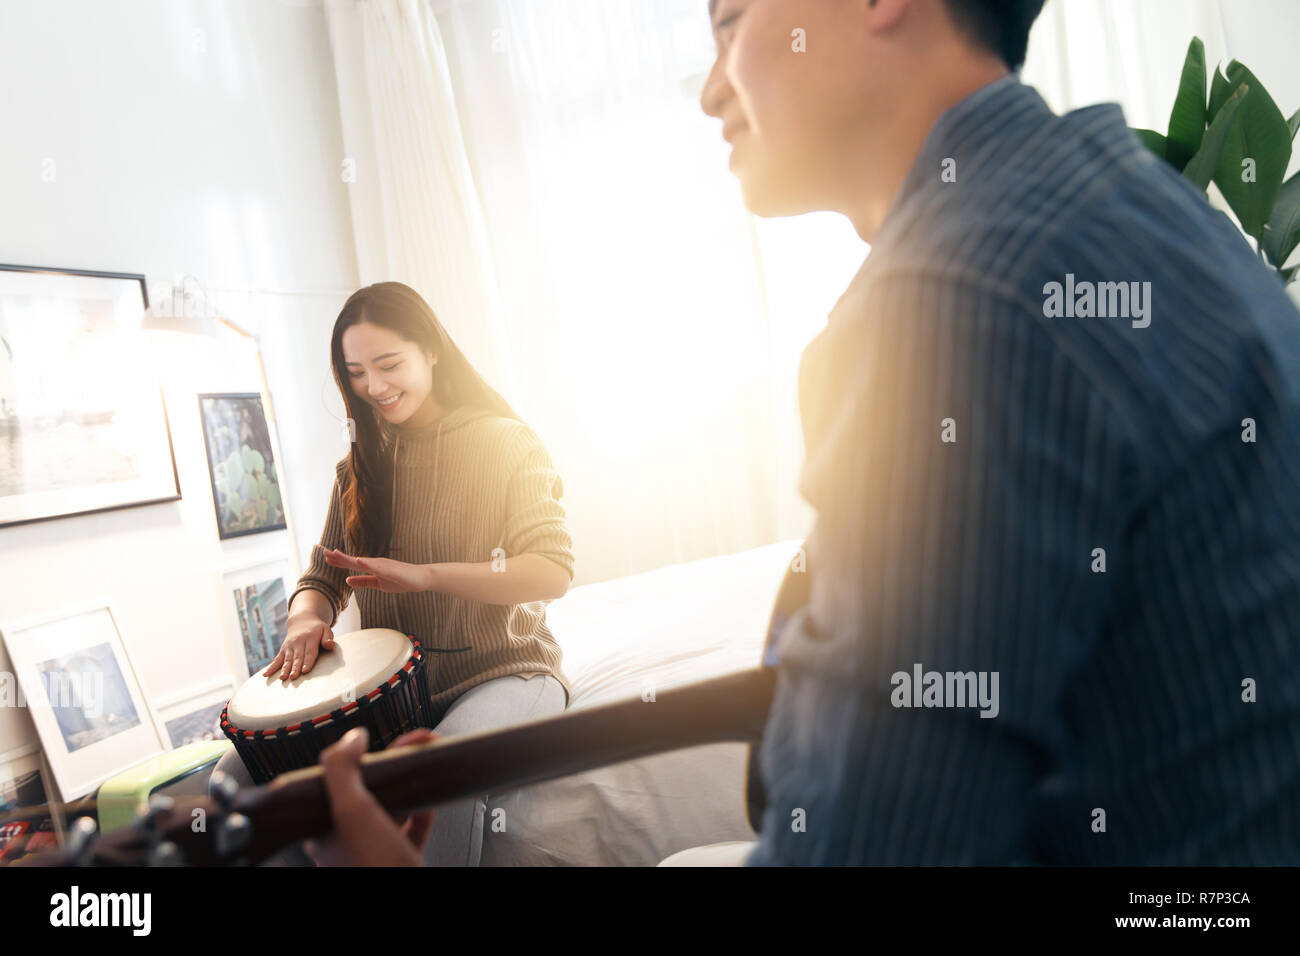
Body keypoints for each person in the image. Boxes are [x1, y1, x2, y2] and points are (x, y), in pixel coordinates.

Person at [320, 0, 1300, 865]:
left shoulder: (955, 298)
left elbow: (875, 839)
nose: (710, 90)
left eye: (731, 21)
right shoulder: (1136, 205)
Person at [210, 281, 575, 867]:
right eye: (355, 372)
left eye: (388, 364)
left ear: (430, 349)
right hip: (389, 693)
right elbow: (320, 580)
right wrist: (305, 621)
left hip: (500, 670)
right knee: (237, 777)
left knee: (433, 774)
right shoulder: (359, 465)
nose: (374, 387)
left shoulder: (507, 443)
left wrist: (425, 575)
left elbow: (551, 570)